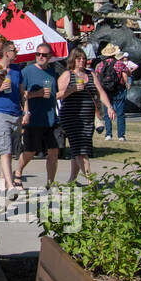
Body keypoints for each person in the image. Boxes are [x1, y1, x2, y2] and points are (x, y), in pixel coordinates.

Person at [57, 50, 112, 183]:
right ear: (72, 60)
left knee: (80, 148)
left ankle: (71, 180)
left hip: (87, 118)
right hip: (72, 117)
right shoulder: (67, 74)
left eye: (83, 58)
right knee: (81, 150)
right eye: (78, 59)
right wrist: (73, 89)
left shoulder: (91, 74)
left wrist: (109, 107)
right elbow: (57, 95)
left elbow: (100, 92)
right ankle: (90, 181)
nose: (81, 61)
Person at [16, 44, 65, 186]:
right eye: (38, 54)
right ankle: (18, 172)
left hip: (51, 118)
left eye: (44, 55)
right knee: (31, 151)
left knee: (54, 151)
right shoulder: (27, 71)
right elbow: (21, 94)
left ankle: (51, 183)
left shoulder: (52, 72)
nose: (40, 57)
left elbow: (55, 94)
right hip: (34, 117)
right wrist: (36, 94)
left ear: (50, 57)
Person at [0, 42, 25, 193]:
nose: (17, 52)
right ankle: (10, 185)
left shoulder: (16, 70)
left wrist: (25, 109)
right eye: (14, 50)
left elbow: (21, 92)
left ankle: (3, 179)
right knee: (5, 149)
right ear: (6, 52)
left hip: (16, 112)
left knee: (13, 149)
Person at [93, 44, 130, 141]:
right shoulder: (119, 64)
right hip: (118, 90)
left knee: (107, 112)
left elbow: (97, 76)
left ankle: (108, 134)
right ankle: (121, 135)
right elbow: (125, 75)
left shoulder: (100, 65)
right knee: (120, 113)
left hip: (105, 90)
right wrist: (127, 84)